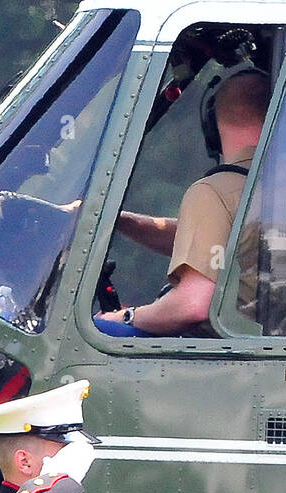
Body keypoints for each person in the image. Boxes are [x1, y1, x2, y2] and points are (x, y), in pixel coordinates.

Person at [95, 67, 269, 336]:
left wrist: (126, 316)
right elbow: (223, 238)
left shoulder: (216, 191)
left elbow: (193, 305)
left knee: (101, 330)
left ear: (211, 128)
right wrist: (121, 221)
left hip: (229, 353)